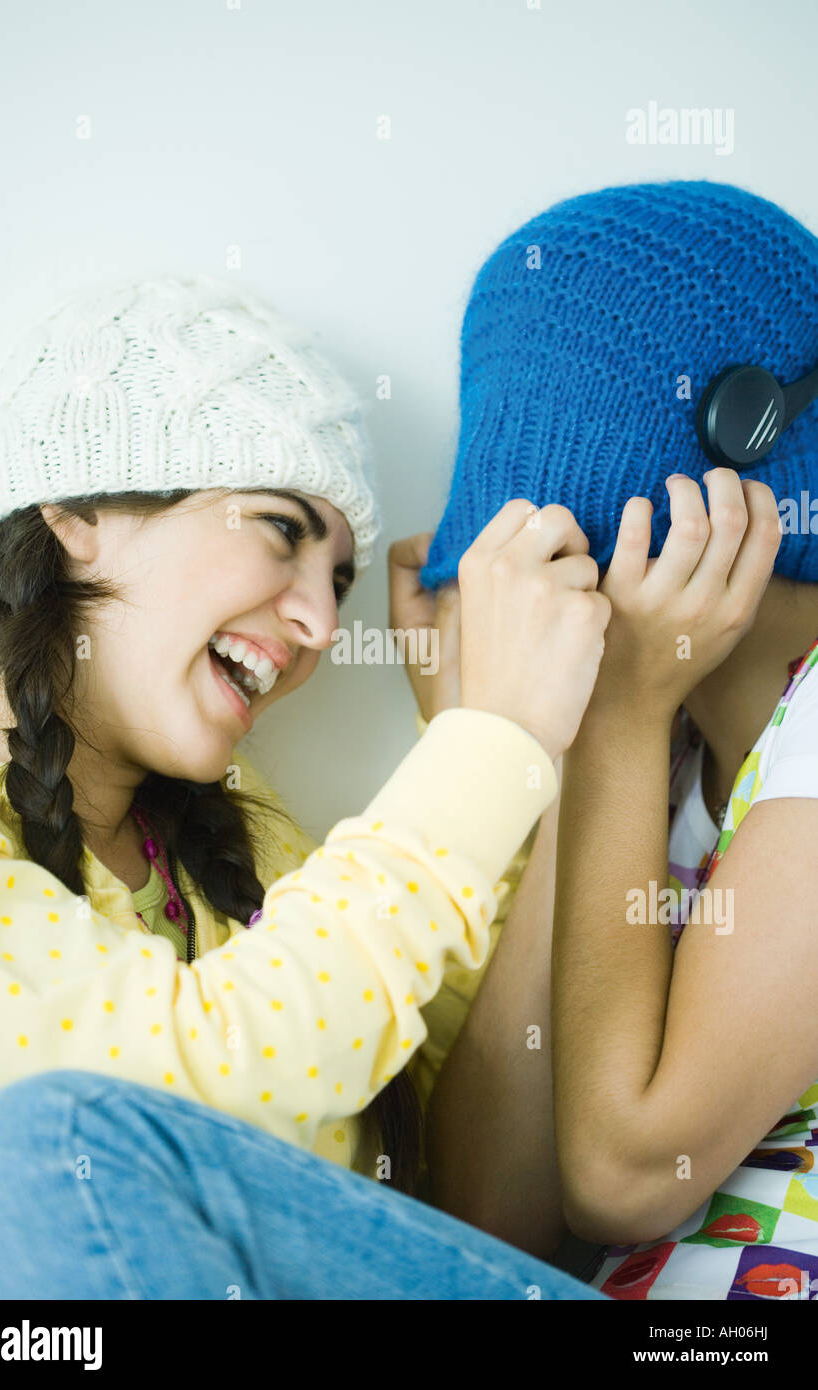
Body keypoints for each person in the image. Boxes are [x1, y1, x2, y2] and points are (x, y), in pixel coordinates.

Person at [0, 272, 611, 1299]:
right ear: (78, 499)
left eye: (340, 580)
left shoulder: (237, 849)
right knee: (46, 1143)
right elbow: (202, 1093)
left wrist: (536, 761)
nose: (317, 624)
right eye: (281, 527)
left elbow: (486, 1210)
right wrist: (491, 743)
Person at [419, 179, 818, 1300]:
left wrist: (612, 730)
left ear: (751, 433)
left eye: (561, 540)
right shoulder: (668, 744)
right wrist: (534, 744)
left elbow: (626, 1174)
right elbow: (490, 1221)